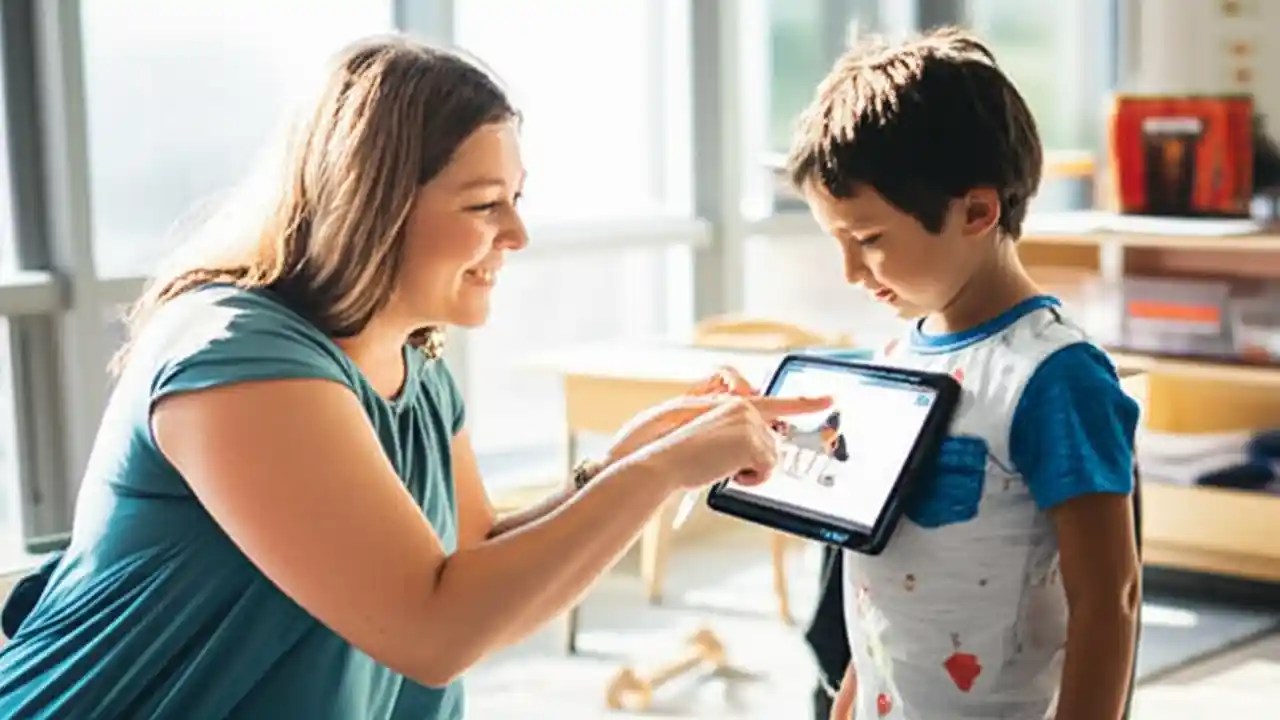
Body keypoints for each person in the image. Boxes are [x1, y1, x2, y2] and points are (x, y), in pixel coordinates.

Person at [0, 35, 832, 719]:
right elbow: (434, 628)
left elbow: (471, 557)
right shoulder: (237, 359)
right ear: (373, 203)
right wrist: (655, 475)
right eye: (484, 205)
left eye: (517, 197)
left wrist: (623, 460)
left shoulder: (417, 360)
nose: (517, 234)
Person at [785, 28, 1142, 719]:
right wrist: (859, 684)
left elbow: (1110, 597)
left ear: (977, 211)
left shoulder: (1055, 377)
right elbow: (880, 569)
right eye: (836, 241)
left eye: (868, 240)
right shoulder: (898, 360)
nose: (851, 272)